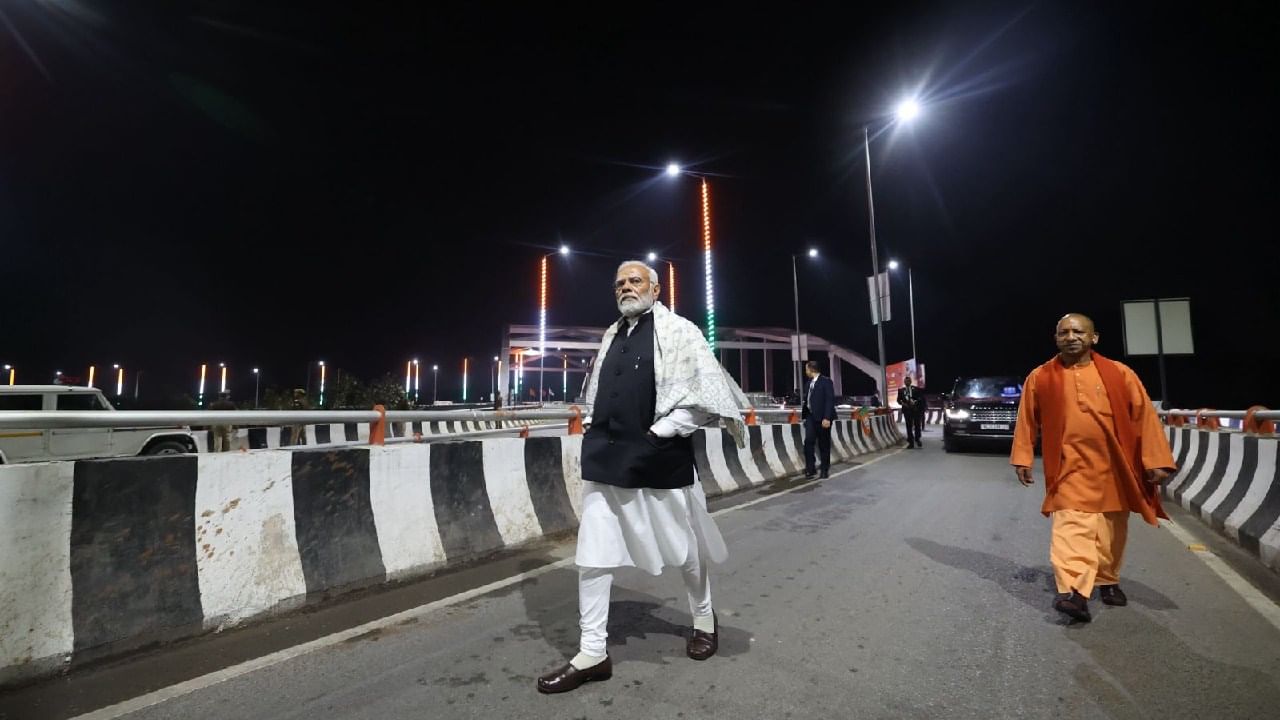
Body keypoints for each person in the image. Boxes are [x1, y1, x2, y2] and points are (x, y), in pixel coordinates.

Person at [537, 260, 748, 694]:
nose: (626, 288)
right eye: (619, 283)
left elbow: (702, 395)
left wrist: (659, 433)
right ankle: (593, 652)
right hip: (607, 459)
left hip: (658, 458)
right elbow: (598, 393)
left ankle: (704, 620)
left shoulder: (681, 332)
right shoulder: (611, 334)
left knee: (686, 548)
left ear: (655, 287)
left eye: (634, 281)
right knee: (593, 556)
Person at [1010, 313, 1176, 623]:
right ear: (1055, 337)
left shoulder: (1119, 373)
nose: (1071, 337)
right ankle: (1074, 593)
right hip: (1068, 467)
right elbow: (1027, 418)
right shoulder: (1041, 376)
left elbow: (1145, 418)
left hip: (1116, 465)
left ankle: (1108, 580)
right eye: (1064, 332)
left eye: (1078, 331)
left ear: (1093, 337)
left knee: (1111, 529)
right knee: (1071, 524)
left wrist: (1155, 460)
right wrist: (1022, 455)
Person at [801, 360, 836, 479]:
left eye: (806, 369)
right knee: (808, 442)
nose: (805, 372)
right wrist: (805, 416)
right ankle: (810, 469)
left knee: (824, 444)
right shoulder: (808, 384)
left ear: (811, 369)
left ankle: (824, 470)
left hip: (823, 418)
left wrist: (827, 417)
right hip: (810, 417)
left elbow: (829, 400)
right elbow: (807, 401)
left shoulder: (826, 382)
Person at [897, 375, 924, 448]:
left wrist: (915, 401)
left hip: (915, 409)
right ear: (904, 382)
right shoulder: (901, 390)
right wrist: (903, 403)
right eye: (906, 381)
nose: (907, 382)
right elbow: (898, 400)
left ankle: (917, 438)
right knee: (908, 426)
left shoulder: (916, 389)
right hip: (906, 410)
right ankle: (910, 442)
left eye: (908, 381)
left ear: (911, 381)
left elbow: (920, 398)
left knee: (917, 425)